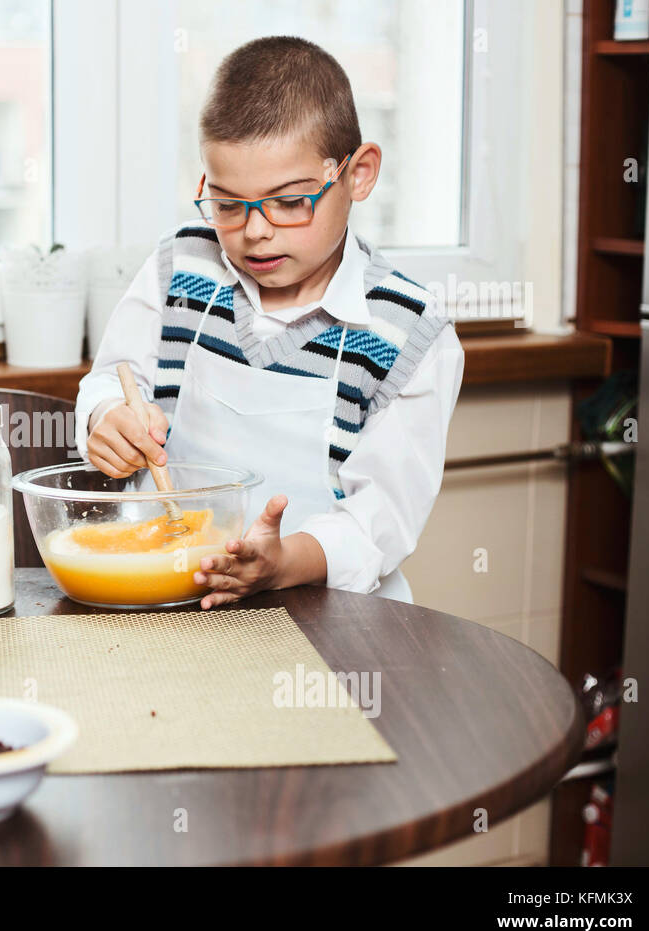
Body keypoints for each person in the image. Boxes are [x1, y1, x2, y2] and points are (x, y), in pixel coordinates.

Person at [75, 36, 464, 609]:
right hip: (174, 593)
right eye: (229, 204)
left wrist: (282, 563)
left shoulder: (409, 332)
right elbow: (109, 381)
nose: (255, 231)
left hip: (330, 617)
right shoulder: (182, 264)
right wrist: (105, 419)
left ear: (358, 174)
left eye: (288, 202)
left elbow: (380, 521)